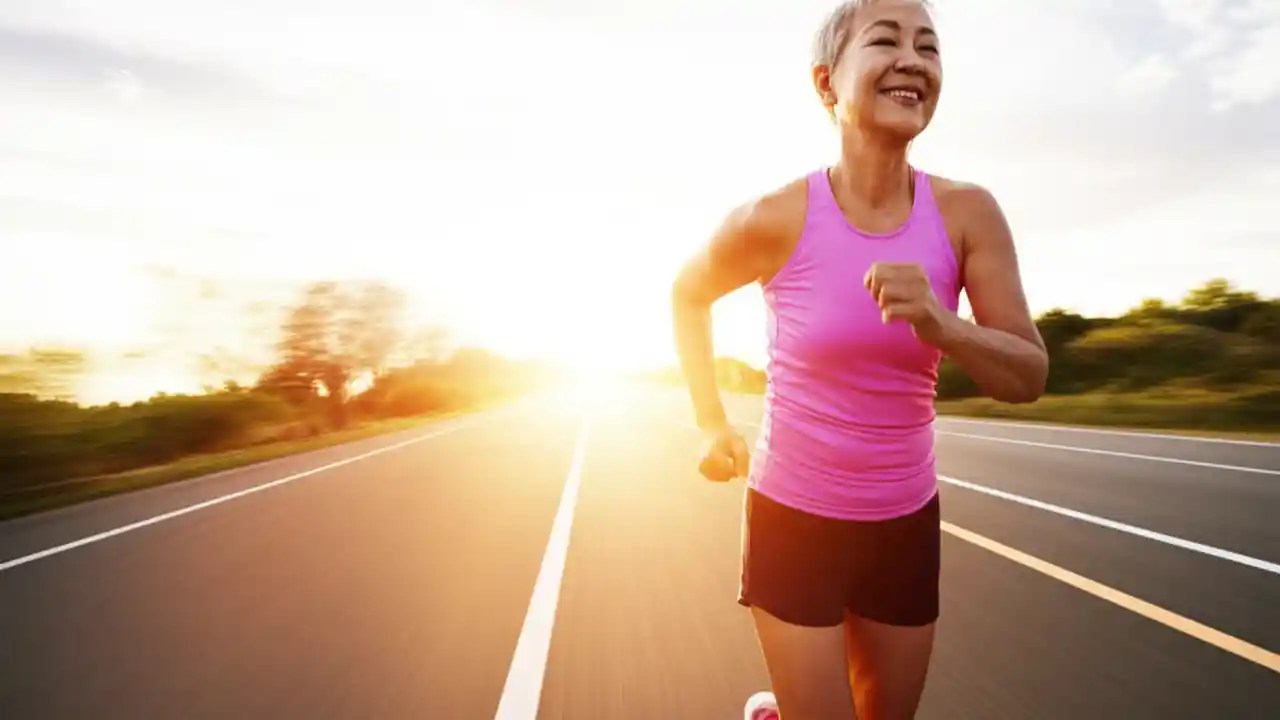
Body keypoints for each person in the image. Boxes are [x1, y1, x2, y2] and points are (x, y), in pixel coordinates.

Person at [670, 1, 1049, 718]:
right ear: (826, 83)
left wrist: (946, 326)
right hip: (792, 517)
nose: (914, 60)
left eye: (929, 48)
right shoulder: (773, 217)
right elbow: (687, 294)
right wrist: (710, 420)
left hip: (904, 523)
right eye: (886, 40)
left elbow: (1028, 376)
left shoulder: (969, 215)